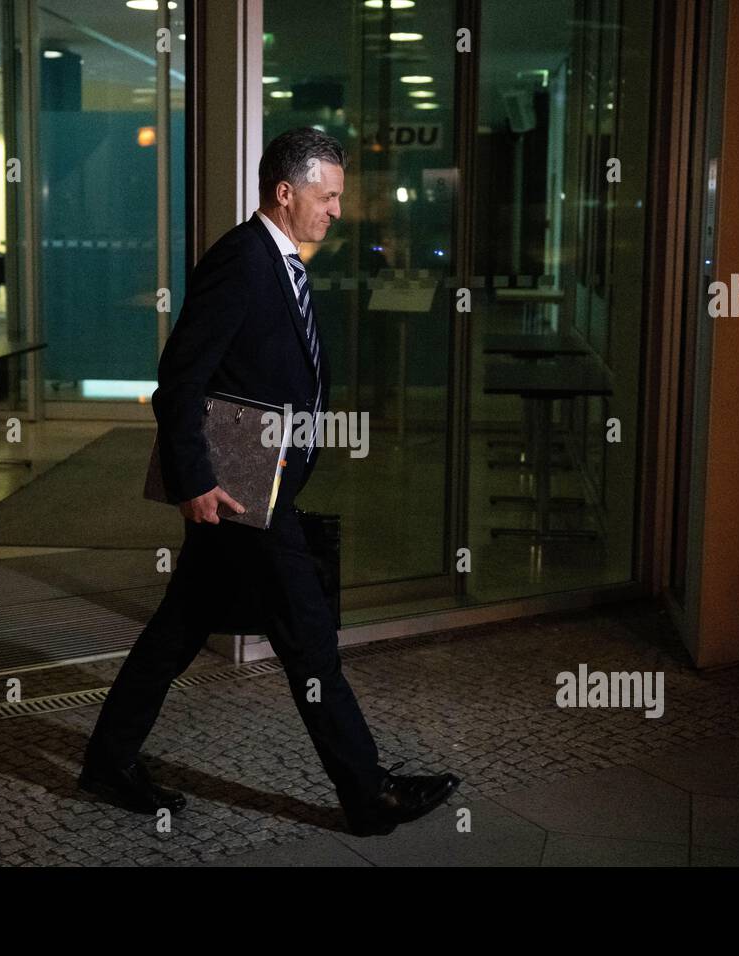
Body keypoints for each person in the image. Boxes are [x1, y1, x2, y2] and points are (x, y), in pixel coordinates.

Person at [79, 127, 460, 837]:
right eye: (328, 196)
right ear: (285, 193)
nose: (338, 210)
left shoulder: (281, 259)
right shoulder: (242, 260)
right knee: (309, 637)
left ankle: (108, 759)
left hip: (262, 483)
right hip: (241, 490)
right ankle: (367, 794)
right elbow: (179, 381)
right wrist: (194, 479)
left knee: (179, 626)